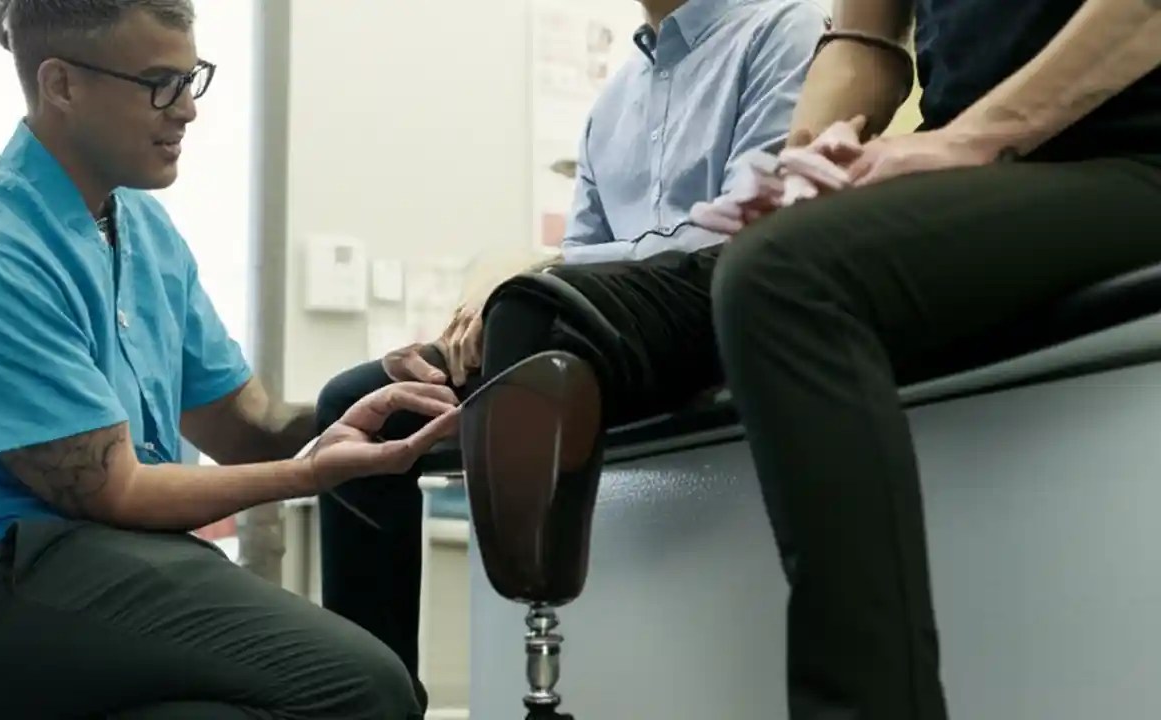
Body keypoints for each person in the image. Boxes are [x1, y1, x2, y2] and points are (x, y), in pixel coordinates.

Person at [460, 0, 1161, 718]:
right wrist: (799, 172)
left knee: (783, 279)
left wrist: (977, 138)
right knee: (741, 266)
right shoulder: (614, 104)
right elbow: (866, 34)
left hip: (1130, 155)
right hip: (993, 171)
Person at [0, 1, 459, 718]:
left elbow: (246, 424)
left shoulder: (143, 228)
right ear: (61, 84)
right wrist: (308, 473)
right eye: (160, 83)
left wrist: (370, 396)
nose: (186, 110)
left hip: (113, 559)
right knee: (364, 688)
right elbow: (113, 491)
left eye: (192, 80)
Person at [314, 0, 829, 685]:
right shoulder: (618, 96)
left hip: (722, 304)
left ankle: (535, 668)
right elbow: (579, 255)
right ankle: (369, 698)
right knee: (362, 403)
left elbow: (745, 228)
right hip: (600, 325)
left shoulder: (785, 28)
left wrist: (532, 275)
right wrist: (509, 291)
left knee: (524, 313)